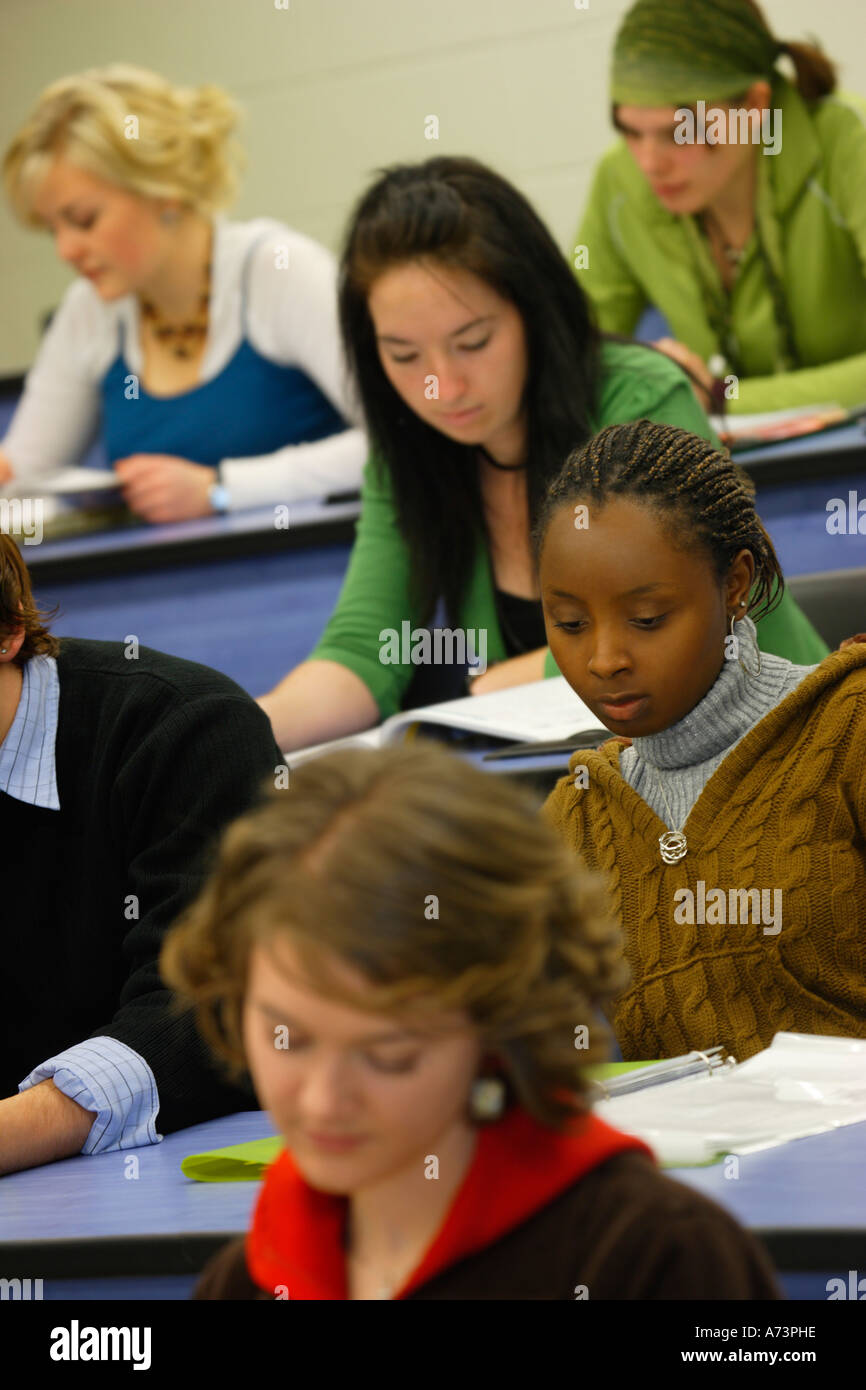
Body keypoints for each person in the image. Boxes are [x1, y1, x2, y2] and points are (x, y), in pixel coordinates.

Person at [160, 740, 780, 1300]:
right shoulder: (248, 1281)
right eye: (286, 1038)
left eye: (390, 1054)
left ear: (502, 1022)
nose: (323, 1101)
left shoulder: (658, 1257)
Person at [257, 155, 826, 751]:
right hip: (601, 776)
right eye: (403, 356)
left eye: (473, 342)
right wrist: (229, 732)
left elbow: (695, 625)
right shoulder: (407, 451)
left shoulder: (640, 396)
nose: (442, 386)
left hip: (782, 750)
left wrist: (519, 676)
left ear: (534, 311)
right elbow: (360, 652)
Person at [538, 419, 866, 1064]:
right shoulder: (576, 818)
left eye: (647, 619)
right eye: (569, 623)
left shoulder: (848, 728)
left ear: (734, 585)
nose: (603, 659)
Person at [0, 532, 283, 1174]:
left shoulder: (187, 728)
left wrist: (19, 1129)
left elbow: (215, 1009)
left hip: (165, 1174)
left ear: (9, 631)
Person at [0, 63, 364, 520]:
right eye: (52, 228)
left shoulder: (279, 270)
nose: (66, 250)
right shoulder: (89, 309)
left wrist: (221, 489)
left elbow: (400, 442)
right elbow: (19, 483)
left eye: (84, 220)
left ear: (164, 190)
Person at [574, 0, 866, 416]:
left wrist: (719, 399)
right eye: (630, 132)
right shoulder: (619, 181)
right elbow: (569, 357)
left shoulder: (851, 141)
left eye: (678, 133)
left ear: (753, 106)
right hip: (726, 468)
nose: (649, 163)